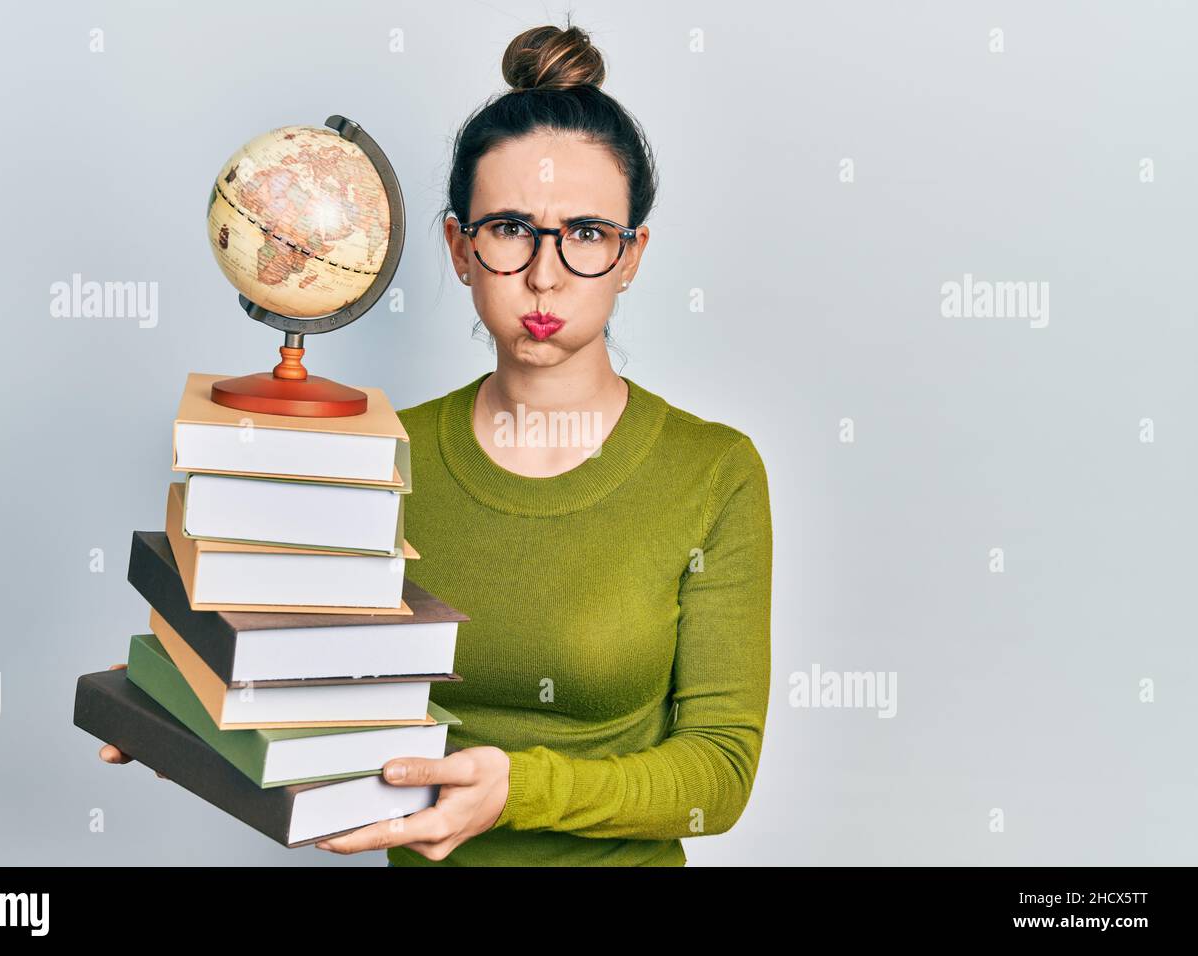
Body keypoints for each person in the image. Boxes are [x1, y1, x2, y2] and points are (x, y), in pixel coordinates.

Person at [99, 20, 772, 867]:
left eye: (589, 234)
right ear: (460, 247)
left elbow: (719, 774)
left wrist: (517, 790)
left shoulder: (713, 472)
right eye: (511, 228)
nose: (546, 273)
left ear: (632, 255)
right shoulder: (379, 456)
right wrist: (193, 727)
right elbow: (308, 687)